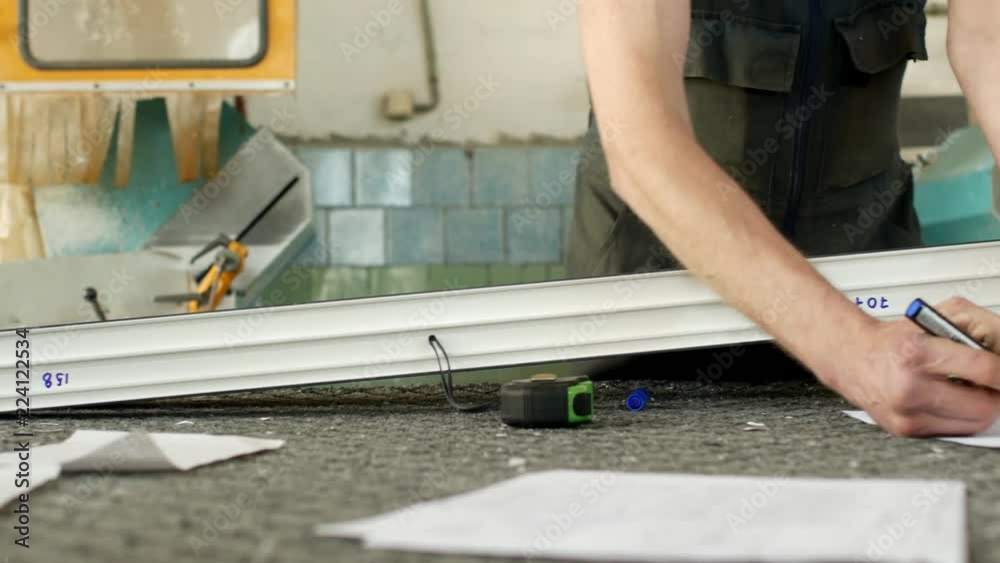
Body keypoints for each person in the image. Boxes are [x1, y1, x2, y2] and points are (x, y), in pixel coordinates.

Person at [569, 0, 1000, 437]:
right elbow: (642, 145)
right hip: (657, 314)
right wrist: (851, 350)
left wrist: (864, 349)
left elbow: (990, 43)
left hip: (872, 294)